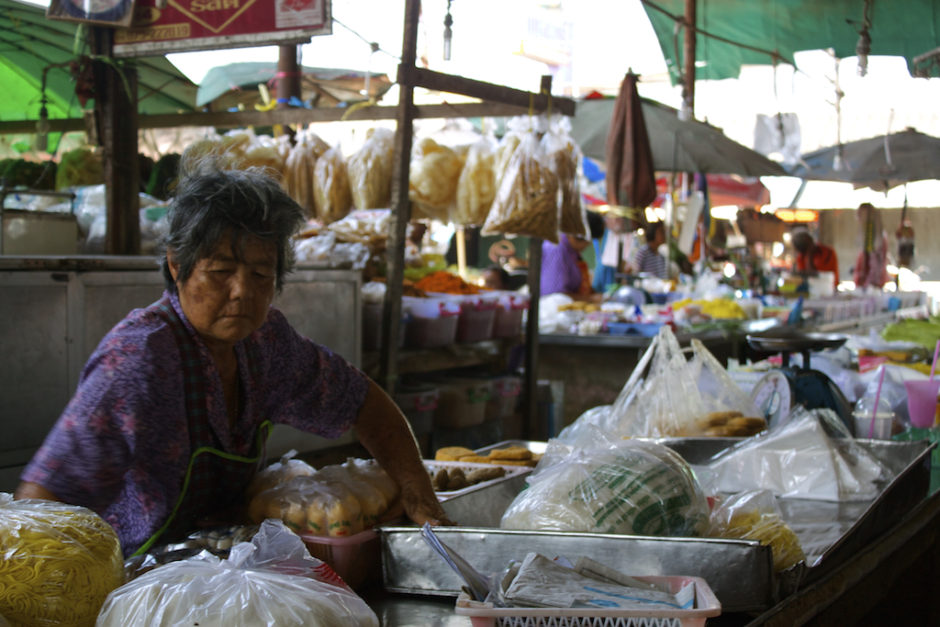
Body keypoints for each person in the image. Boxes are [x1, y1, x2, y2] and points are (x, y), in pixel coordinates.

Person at [15, 158, 451, 557]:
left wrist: (417, 493)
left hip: (222, 570)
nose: (242, 291)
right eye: (221, 271)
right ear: (177, 265)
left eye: (261, 274)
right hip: (136, 579)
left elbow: (364, 402)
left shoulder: (266, 342)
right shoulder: (138, 359)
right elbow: (39, 506)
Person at [540, 233, 592, 297]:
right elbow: (555, 294)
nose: (588, 245)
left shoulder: (572, 251)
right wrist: (590, 299)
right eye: (587, 243)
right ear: (573, 238)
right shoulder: (557, 249)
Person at [853, 202, 889, 288]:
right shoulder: (867, 235)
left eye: (861, 214)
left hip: (872, 284)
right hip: (866, 283)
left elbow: (876, 266)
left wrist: (867, 284)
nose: (859, 218)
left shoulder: (875, 236)